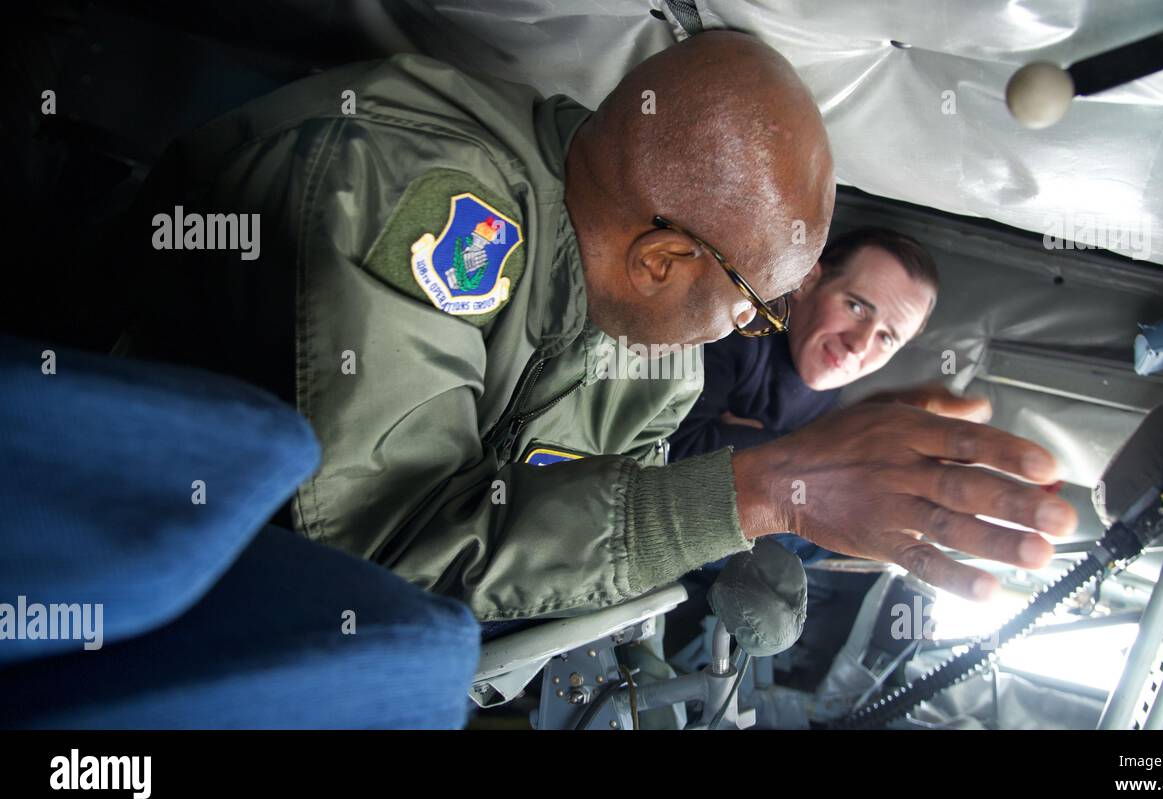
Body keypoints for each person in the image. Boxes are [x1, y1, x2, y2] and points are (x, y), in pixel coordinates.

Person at [123, 31, 1076, 621]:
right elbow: (371, 560)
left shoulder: (660, 355)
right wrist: (769, 489)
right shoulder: (420, 198)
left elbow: (606, 506)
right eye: (753, 299)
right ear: (662, 259)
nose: (747, 327)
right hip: (132, 514)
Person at [670, 226, 990, 564]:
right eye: (856, 307)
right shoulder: (735, 330)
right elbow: (673, 456)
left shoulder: (828, 400)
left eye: (887, 338)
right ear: (808, 281)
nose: (860, 344)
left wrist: (754, 442)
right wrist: (789, 451)